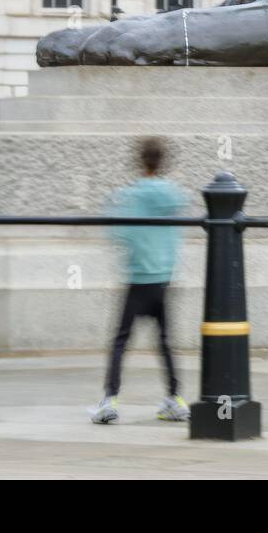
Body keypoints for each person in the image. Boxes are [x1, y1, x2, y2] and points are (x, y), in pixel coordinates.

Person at [89, 138, 189, 425]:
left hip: (137, 277)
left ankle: (110, 400)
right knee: (165, 341)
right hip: (163, 278)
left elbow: (117, 233)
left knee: (121, 340)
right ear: (163, 162)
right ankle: (175, 398)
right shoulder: (174, 194)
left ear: (140, 160)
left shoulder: (129, 195)